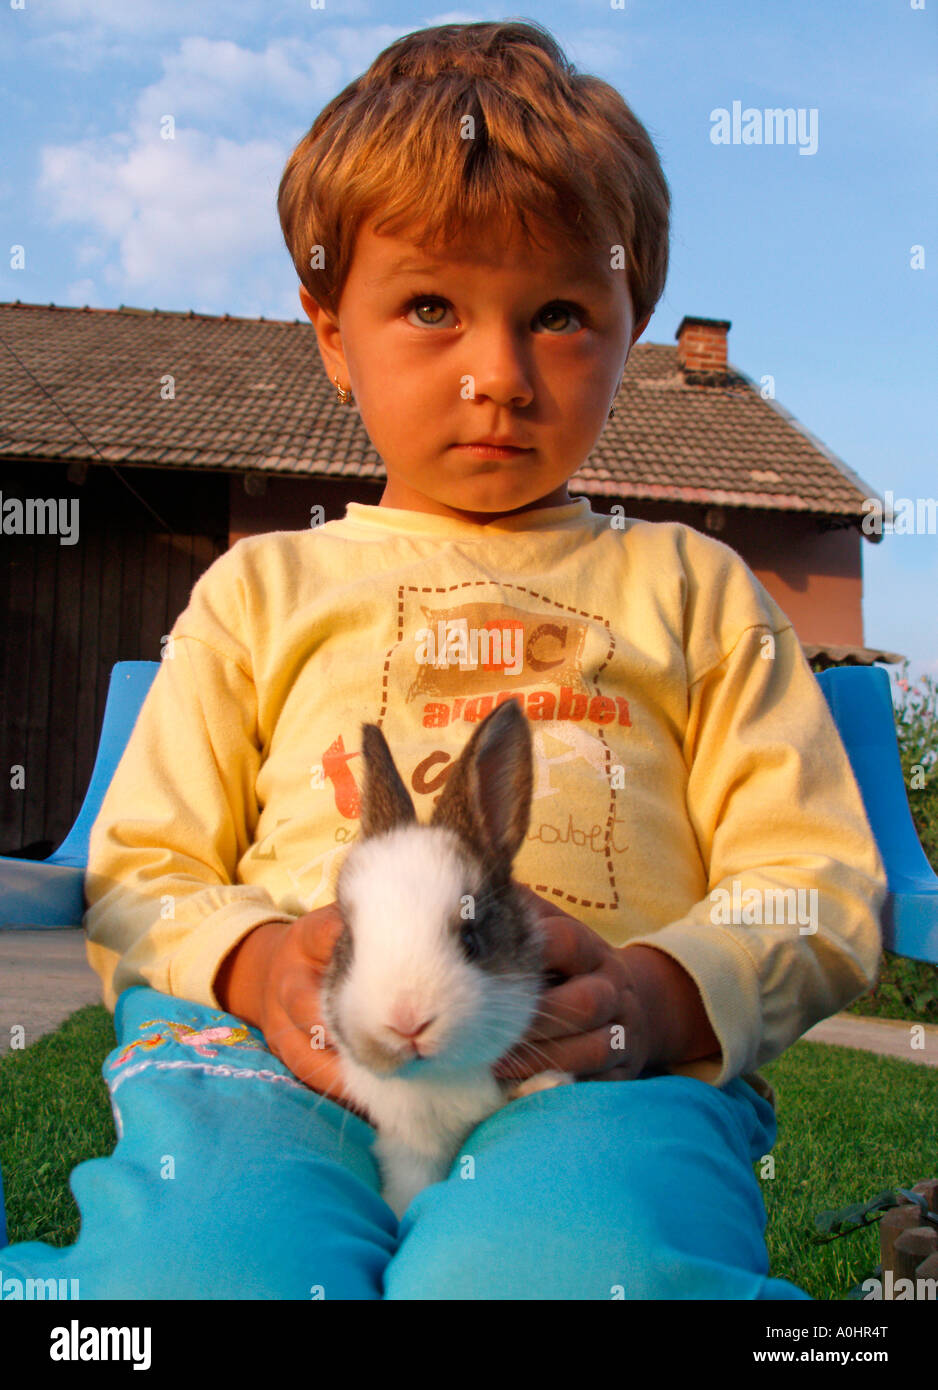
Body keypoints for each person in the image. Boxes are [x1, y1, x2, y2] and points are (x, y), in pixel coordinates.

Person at [1, 19, 885, 1300]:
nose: (496, 375)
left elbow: (811, 881)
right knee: (196, 1274)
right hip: (263, 1056)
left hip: (591, 1075)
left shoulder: (694, 591)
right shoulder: (260, 588)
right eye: (429, 306)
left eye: (561, 315)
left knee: (574, 1273)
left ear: (631, 327)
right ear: (329, 333)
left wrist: (657, 992)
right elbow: (145, 869)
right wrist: (254, 962)